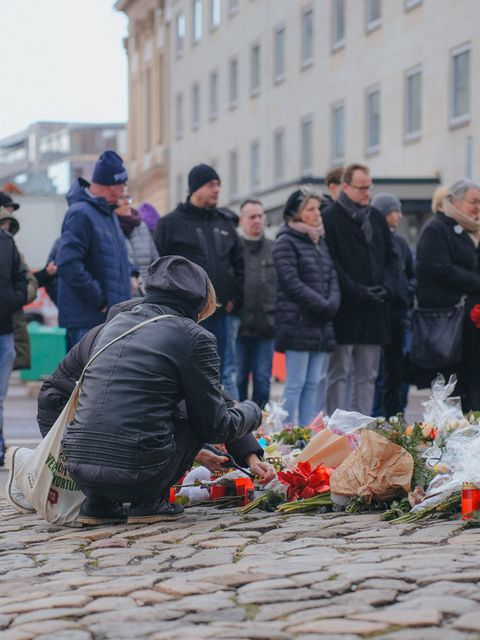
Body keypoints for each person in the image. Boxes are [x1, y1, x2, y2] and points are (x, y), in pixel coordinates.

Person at [62, 256, 263, 525]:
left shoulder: (114, 324)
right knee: (194, 412)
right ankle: (149, 502)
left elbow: (56, 386)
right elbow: (214, 426)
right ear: (201, 301)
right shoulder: (193, 336)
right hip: (141, 473)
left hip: (78, 469)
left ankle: (99, 504)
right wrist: (252, 411)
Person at [153, 164, 244, 396]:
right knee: (189, 369)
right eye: (211, 184)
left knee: (225, 370)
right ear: (195, 189)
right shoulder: (170, 224)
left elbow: (240, 263)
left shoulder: (224, 223)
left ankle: (229, 424)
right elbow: (159, 266)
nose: (217, 190)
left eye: (218, 185)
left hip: (222, 312)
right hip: (186, 314)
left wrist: (235, 298)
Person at [322, 163, 398, 416]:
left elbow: (390, 257)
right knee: (339, 373)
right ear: (345, 186)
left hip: (375, 309)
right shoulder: (330, 217)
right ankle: (335, 430)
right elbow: (331, 262)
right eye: (362, 187)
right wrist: (357, 291)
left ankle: (361, 427)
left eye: (369, 187)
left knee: (368, 375)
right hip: (346, 308)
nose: (367, 192)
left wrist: (386, 287)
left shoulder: (376, 217)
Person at [273, 187, 340, 426]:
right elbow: (291, 282)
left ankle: (307, 434)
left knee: (314, 382)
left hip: (320, 323)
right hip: (297, 323)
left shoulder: (319, 241)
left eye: (317, 208)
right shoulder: (286, 241)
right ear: (296, 214)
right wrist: (322, 304)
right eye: (310, 209)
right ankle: (288, 433)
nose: (316, 213)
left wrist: (332, 302)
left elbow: (332, 275)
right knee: (296, 382)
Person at [56, 151, 132, 351]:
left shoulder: (108, 215)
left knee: (103, 380)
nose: (125, 189)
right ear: (112, 187)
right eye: (123, 184)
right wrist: (100, 301)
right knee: (84, 379)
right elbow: (68, 264)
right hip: (87, 320)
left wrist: (132, 274)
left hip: (108, 319)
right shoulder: (81, 214)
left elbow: (114, 261)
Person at [415, 178, 480, 411]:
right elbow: (440, 269)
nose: (477, 208)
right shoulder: (436, 229)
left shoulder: (470, 231)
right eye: (473, 202)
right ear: (455, 201)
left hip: (467, 318)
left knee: (471, 376)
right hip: (445, 319)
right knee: (449, 380)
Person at [371, 193, 415, 417]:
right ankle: (376, 416)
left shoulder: (400, 243)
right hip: (379, 316)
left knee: (395, 373)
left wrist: (406, 291)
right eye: (394, 211)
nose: (399, 215)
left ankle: (394, 416)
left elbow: (411, 275)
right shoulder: (371, 241)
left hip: (398, 316)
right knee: (376, 373)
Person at [236, 199, 277, 408]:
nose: (257, 220)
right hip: (239, 326)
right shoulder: (235, 248)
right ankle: (240, 429)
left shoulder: (273, 248)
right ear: (242, 220)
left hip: (266, 325)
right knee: (238, 379)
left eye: (260, 216)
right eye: (252, 216)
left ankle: (262, 424)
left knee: (262, 381)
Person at [0, 209, 27, 464]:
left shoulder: (6, 242)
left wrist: (14, 298)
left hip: (4, 329)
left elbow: (22, 277)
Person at [0, 208, 38, 370]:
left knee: (8, 354)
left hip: (6, 315)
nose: (6, 227)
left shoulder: (8, 244)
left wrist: (18, 298)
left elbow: (23, 276)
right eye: (3, 223)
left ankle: (1, 396)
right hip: (8, 311)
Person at [115, 190, 158, 294]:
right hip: (123, 295)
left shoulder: (142, 227)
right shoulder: (110, 228)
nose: (126, 202)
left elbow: (156, 261)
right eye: (121, 198)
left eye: (128, 198)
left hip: (146, 294)